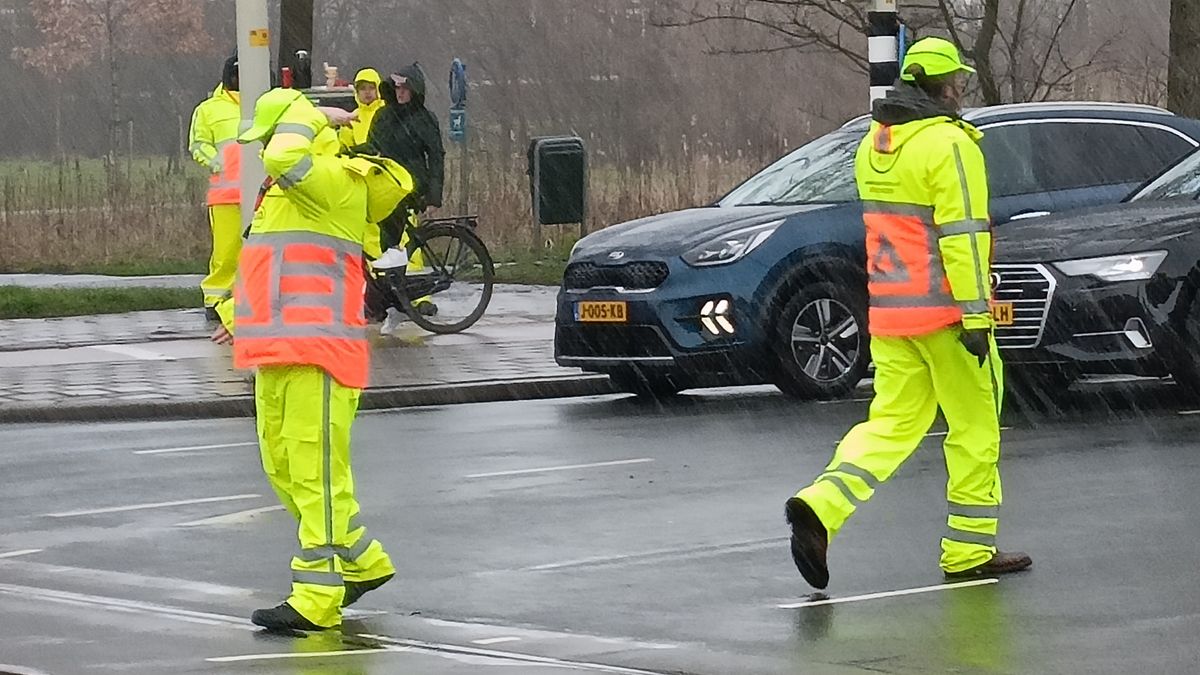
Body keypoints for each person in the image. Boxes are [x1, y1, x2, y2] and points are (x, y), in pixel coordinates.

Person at [785, 37, 1031, 589]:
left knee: (890, 426)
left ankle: (820, 506)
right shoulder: (949, 144)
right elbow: (962, 235)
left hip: (893, 315)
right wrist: (975, 315)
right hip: (948, 316)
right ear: (942, 86)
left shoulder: (875, 145)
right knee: (974, 429)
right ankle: (969, 551)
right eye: (958, 82)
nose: (961, 89)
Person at [211, 87, 414, 632]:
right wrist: (234, 313)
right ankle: (363, 563)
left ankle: (316, 597)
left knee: (316, 476)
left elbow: (285, 156)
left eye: (269, 136)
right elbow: (270, 261)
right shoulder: (282, 192)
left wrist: (305, 112)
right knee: (286, 471)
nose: (262, 151)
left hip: (318, 354)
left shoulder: (332, 182)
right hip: (275, 352)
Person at [361, 63, 446, 326]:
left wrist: (433, 194)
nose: (399, 93)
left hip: (410, 184)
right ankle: (394, 292)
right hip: (388, 182)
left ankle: (396, 292)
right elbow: (372, 147)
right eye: (396, 87)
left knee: (391, 235)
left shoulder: (424, 119)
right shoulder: (384, 117)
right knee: (389, 239)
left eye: (404, 88)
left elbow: (435, 156)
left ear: (414, 90)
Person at [188, 54, 244, 322]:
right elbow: (198, 144)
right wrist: (217, 162)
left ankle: (250, 299)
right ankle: (216, 299)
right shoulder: (208, 109)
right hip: (226, 194)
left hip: (265, 193)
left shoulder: (265, 104)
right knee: (226, 252)